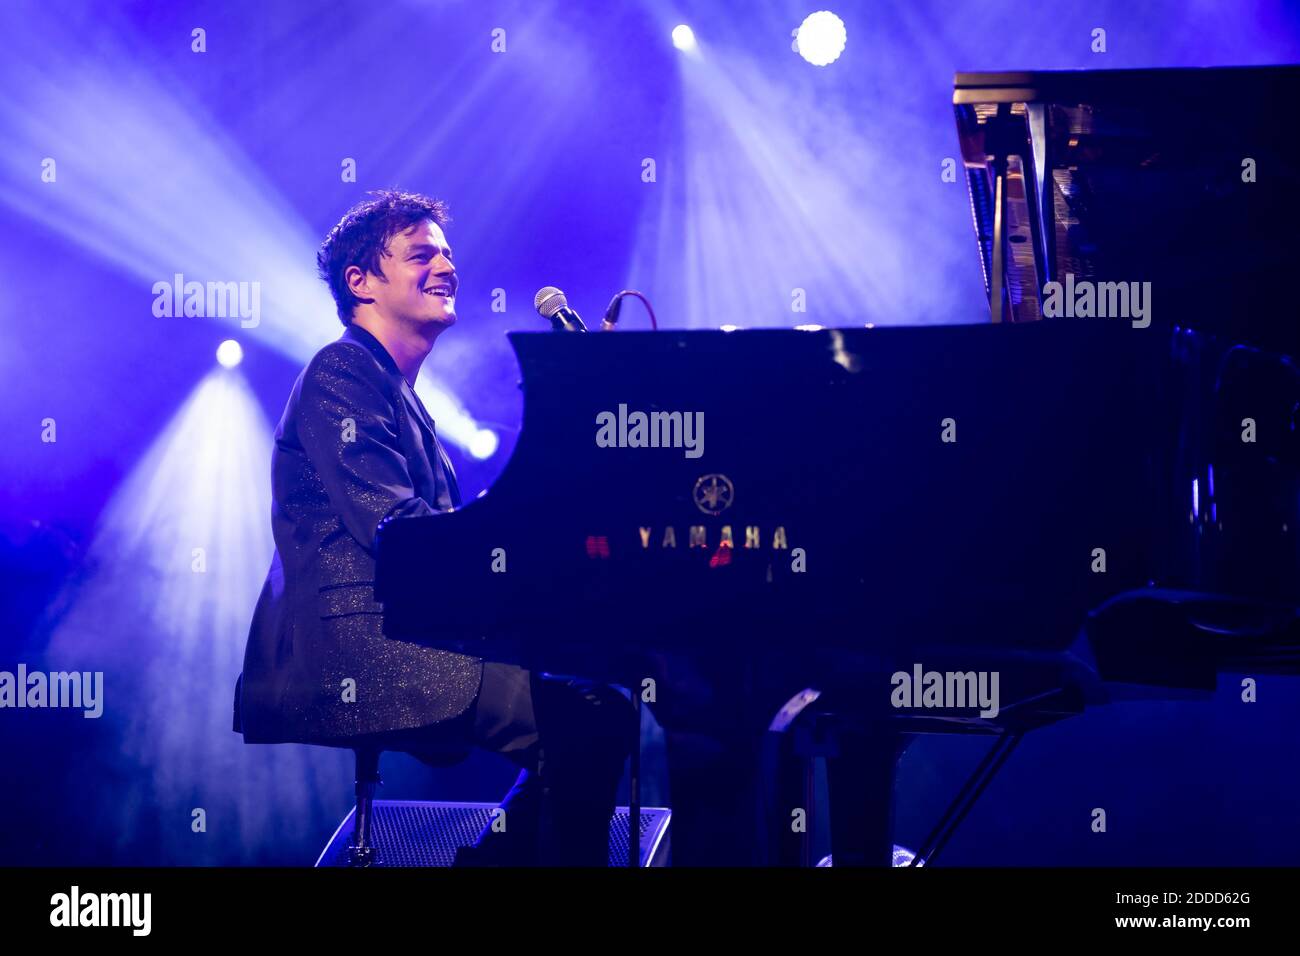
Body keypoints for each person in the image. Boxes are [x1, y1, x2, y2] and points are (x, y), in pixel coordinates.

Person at [232, 190, 634, 865]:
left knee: (597, 710)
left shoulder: (398, 394)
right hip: (358, 644)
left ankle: (487, 862)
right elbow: (396, 529)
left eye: (448, 255)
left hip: (406, 632)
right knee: (589, 718)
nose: (447, 267)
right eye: (422, 255)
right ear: (360, 281)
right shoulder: (342, 371)